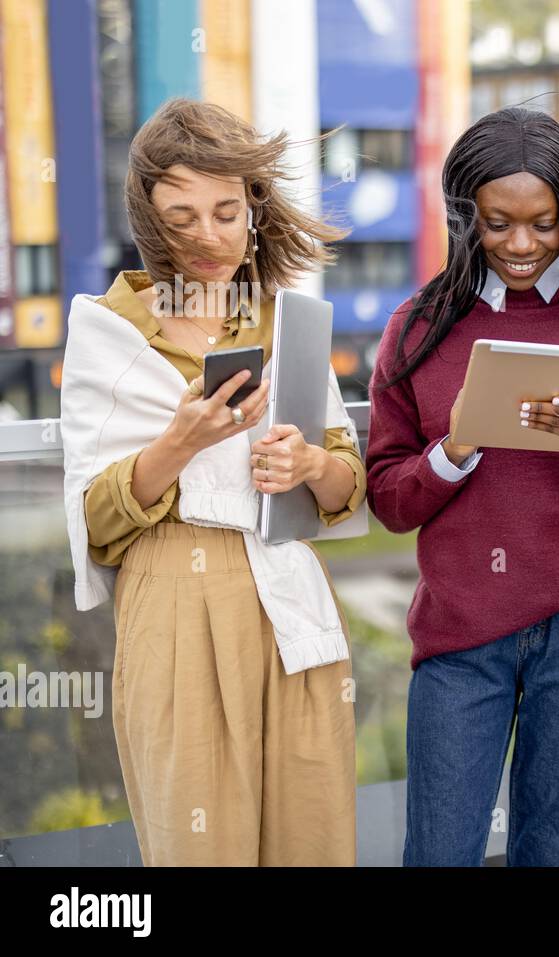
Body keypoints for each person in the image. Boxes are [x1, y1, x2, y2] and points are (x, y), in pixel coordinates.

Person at [60, 99, 364, 866]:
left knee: (313, 837)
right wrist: (178, 443)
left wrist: (310, 466)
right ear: (146, 218)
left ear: (252, 212)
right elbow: (93, 524)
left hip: (289, 599)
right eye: (181, 215)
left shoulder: (285, 320)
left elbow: (345, 483)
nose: (207, 235)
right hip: (173, 598)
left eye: (227, 211)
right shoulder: (108, 332)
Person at [365, 107, 559, 867]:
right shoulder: (417, 328)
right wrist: (456, 445)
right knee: (438, 850)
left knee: (557, 847)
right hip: (462, 632)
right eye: (498, 225)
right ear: (466, 217)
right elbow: (390, 500)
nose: (522, 245)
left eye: (544, 224)